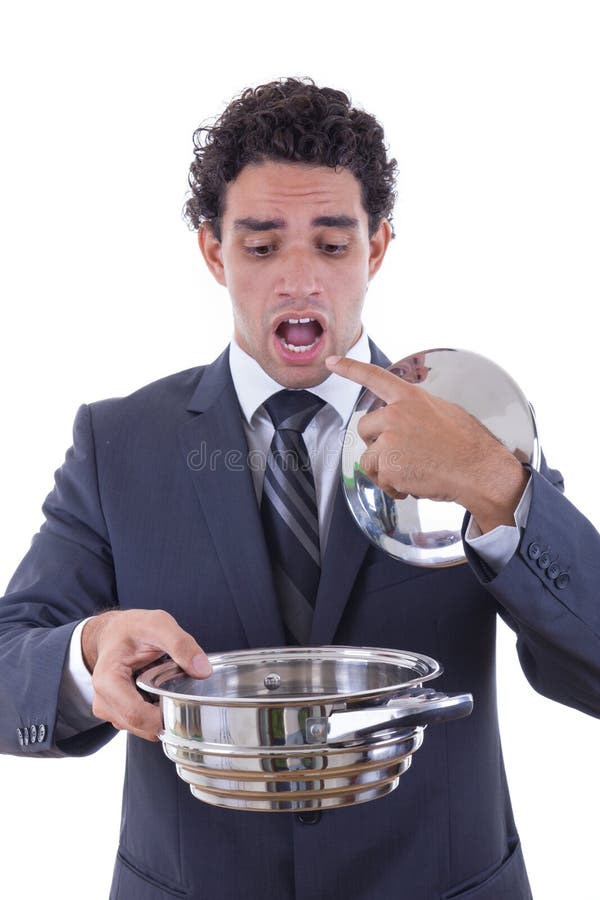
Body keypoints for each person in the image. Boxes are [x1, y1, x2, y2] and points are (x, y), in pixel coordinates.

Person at [1, 76, 599, 900]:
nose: (298, 281)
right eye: (260, 245)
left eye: (331, 243)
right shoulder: (119, 441)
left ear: (377, 247)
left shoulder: (472, 424)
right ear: (214, 252)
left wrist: (499, 487)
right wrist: (86, 652)